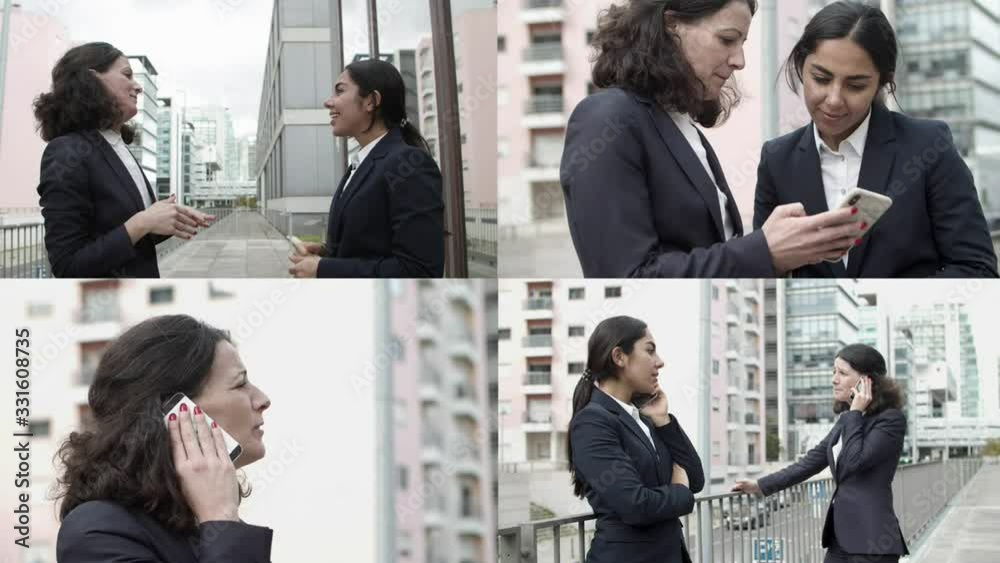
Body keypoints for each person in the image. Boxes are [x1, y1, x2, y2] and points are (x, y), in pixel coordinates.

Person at [560, 0, 864, 278]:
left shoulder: (685, 130)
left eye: (742, 43)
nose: (739, 61)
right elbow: (627, 277)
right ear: (671, 26)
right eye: (727, 40)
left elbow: (711, 254)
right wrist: (764, 251)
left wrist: (787, 250)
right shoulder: (607, 118)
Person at [753, 1, 998, 278]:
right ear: (801, 65)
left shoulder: (928, 146)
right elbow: (764, 273)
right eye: (821, 79)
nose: (833, 100)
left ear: (883, 83)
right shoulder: (776, 160)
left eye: (855, 85)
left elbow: (977, 269)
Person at [55, 315, 273, 562]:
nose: (263, 400)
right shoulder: (96, 531)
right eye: (240, 383)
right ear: (176, 411)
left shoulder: (214, 526)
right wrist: (221, 516)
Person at [34, 42, 214, 278]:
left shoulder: (118, 147)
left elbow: (129, 235)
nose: (137, 86)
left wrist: (166, 217)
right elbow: (68, 266)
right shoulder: (65, 152)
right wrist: (142, 222)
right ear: (93, 80)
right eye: (127, 75)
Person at [731, 343, 908, 563]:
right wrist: (760, 485)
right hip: (840, 540)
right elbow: (810, 462)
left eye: (842, 373)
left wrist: (855, 413)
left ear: (867, 381)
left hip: (872, 542)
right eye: (834, 372)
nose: (834, 379)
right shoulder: (847, 420)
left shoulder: (890, 420)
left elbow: (854, 461)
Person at [288, 59, 445, 278]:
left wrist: (324, 269)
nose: (328, 102)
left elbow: (418, 271)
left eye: (339, 91)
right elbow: (373, 244)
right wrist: (327, 252)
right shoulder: (363, 163)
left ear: (371, 101)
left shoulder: (408, 165)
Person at [567, 316, 704, 563]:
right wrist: (679, 491)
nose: (660, 362)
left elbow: (695, 478)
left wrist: (663, 420)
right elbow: (635, 505)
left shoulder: (645, 418)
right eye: (650, 351)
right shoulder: (592, 422)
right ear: (619, 357)